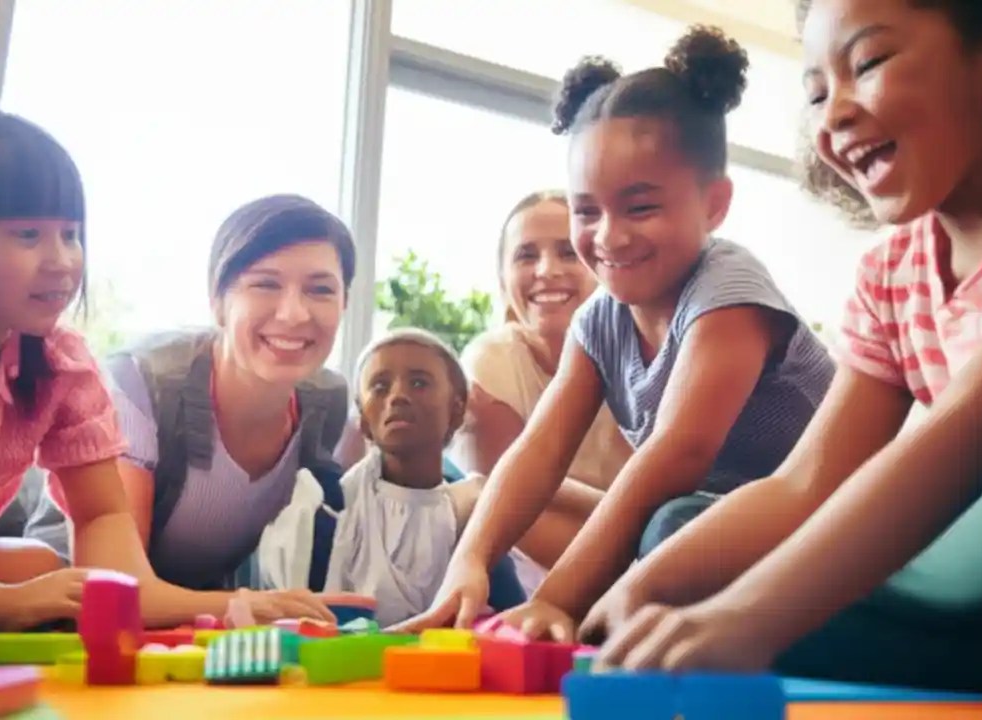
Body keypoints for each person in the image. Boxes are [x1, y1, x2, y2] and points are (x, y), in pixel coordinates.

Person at [584, 0, 982, 709]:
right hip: (971, 564)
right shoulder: (892, 273)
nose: (833, 116)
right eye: (817, 92)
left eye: (870, 63)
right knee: (678, 533)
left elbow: (971, 431)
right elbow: (806, 483)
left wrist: (753, 613)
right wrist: (637, 591)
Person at [399, 25, 834, 635]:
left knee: (671, 522)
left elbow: (674, 456)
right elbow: (540, 450)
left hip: (809, 523)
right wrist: (469, 561)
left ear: (714, 204)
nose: (608, 236)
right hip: (698, 521)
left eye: (640, 207)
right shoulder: (600, 320)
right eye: (587, 210)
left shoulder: (729, 293)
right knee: (501, 491)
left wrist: (558, 599)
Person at [0, 103, 329, 643]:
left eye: (69, 234)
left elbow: (105, 526)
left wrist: (236, 605)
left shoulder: (59, 366)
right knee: (21, 584)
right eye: (27, 234)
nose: (63, 260)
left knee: (40, 569)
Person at [24, 194, 353, 612]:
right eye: (265, 284)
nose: (293, 313)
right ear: (218, 302)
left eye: (321, 289)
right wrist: (253, 605)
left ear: (344, 303)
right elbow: (115, 589)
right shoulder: (142, 380)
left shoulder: (328, 402)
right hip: (61, 605)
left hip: (190, 620)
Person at [453, 190, 631, 595]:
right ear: (502, 281)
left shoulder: (639, 358)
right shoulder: (491, 360)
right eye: (526, 256)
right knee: (484, 499)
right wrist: (629, 512)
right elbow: (506, 499)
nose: (547, 270)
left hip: (628, 543)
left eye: (568, 253)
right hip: (533, 554)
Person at [301, 329, 524, 626]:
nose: (398, 396)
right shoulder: (330, 513)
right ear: (364, 421)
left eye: (419, 383)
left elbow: (509, 622)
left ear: (457, 409)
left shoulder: (473, 520)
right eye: (380, 387)